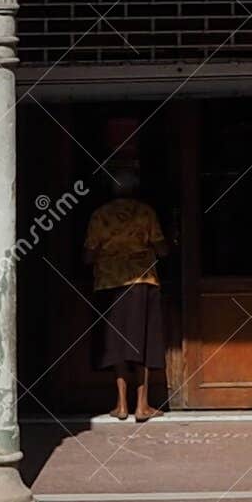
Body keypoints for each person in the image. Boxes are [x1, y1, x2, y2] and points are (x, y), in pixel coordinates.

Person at [83, 167, 168, 422]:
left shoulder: (100, 216)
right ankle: (142, 405)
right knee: (142, 341)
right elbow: (162, 249)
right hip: (142, 281)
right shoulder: (145, 213)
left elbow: (88, 255)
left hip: (109, 283)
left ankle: (121, 404)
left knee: (116, 344)